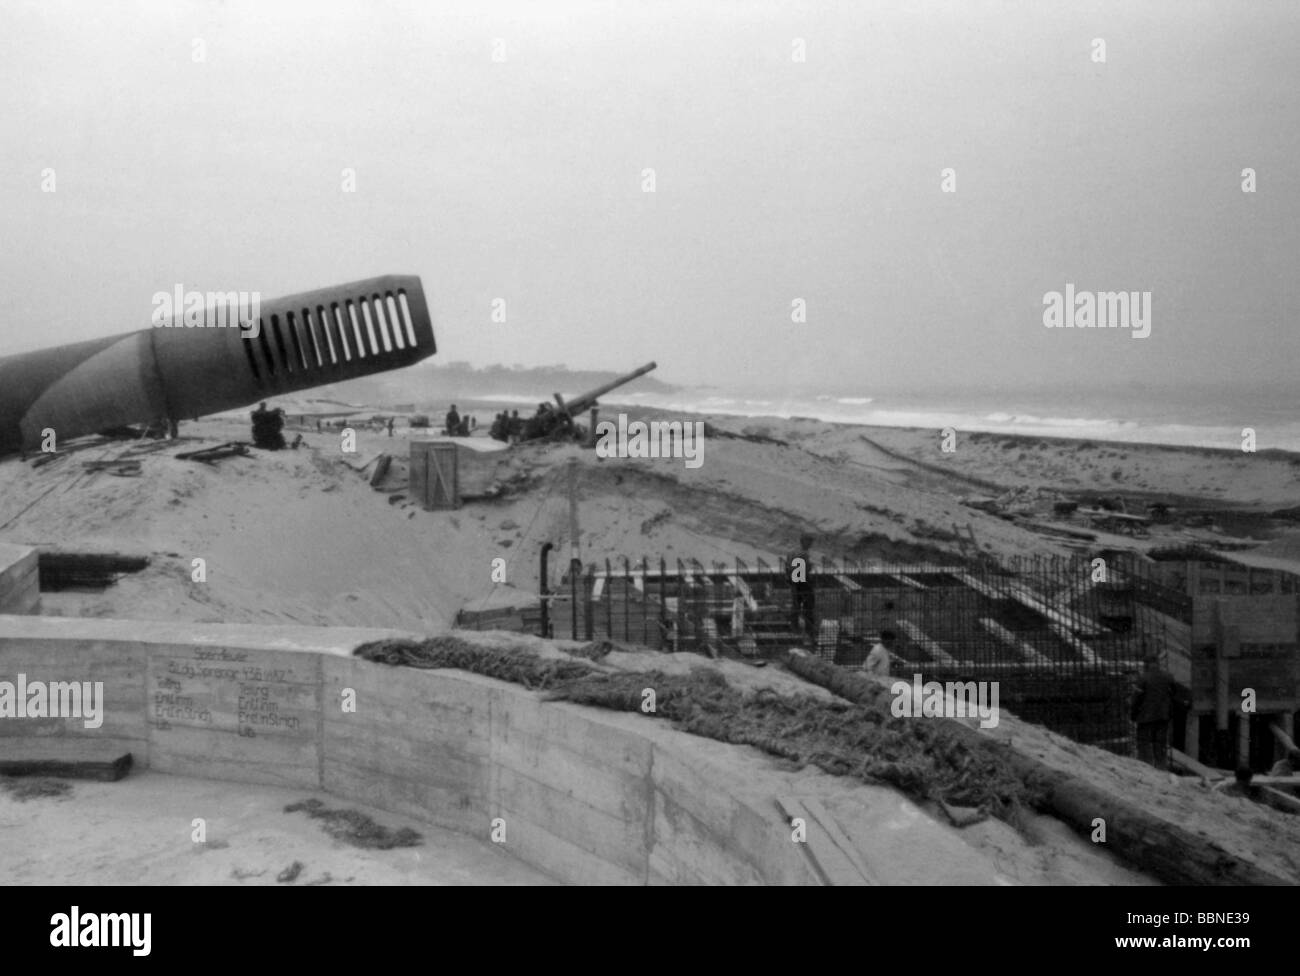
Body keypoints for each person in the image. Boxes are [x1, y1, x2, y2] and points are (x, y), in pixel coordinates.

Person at [1131, 653, 1183, 770]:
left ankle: (1146, 767)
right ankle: (1161, 767)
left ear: (1147, 664)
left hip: (1145, 717)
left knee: (1144, 743)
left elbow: (1136, 700)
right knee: (1160, 743)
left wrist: (1133, 715)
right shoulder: (1168, 677)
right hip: (1163, 716)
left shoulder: (1143, 678)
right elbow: (1174, 693)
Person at [787, 534, 815, 637]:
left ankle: (795, 628)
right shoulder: (803, 554)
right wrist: (810, 567)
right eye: (810, 542)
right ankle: (809, 629)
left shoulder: (791, 552)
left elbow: (788, 568)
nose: (811, 545)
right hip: (803, 583)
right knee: (809, 606)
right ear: (804, 542)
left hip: (794, 582)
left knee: (796, 606)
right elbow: (804, 570)